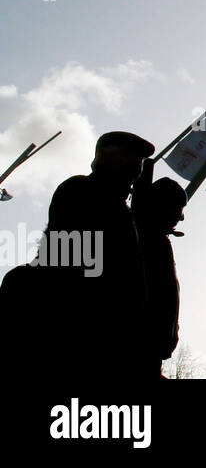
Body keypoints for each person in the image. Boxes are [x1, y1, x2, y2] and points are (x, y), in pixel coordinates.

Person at [39, 131, 156, 380]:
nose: (136, 171)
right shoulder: (82, 192)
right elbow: (67, 263)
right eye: (131, 161)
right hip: (87, 333)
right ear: (106, 158)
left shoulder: (120, 209)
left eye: (137, 164)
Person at [135, 177, 187, 378]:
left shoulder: (155, 240)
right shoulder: (149, 241)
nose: (181, 217)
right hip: (142, 348)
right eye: (178, 209)